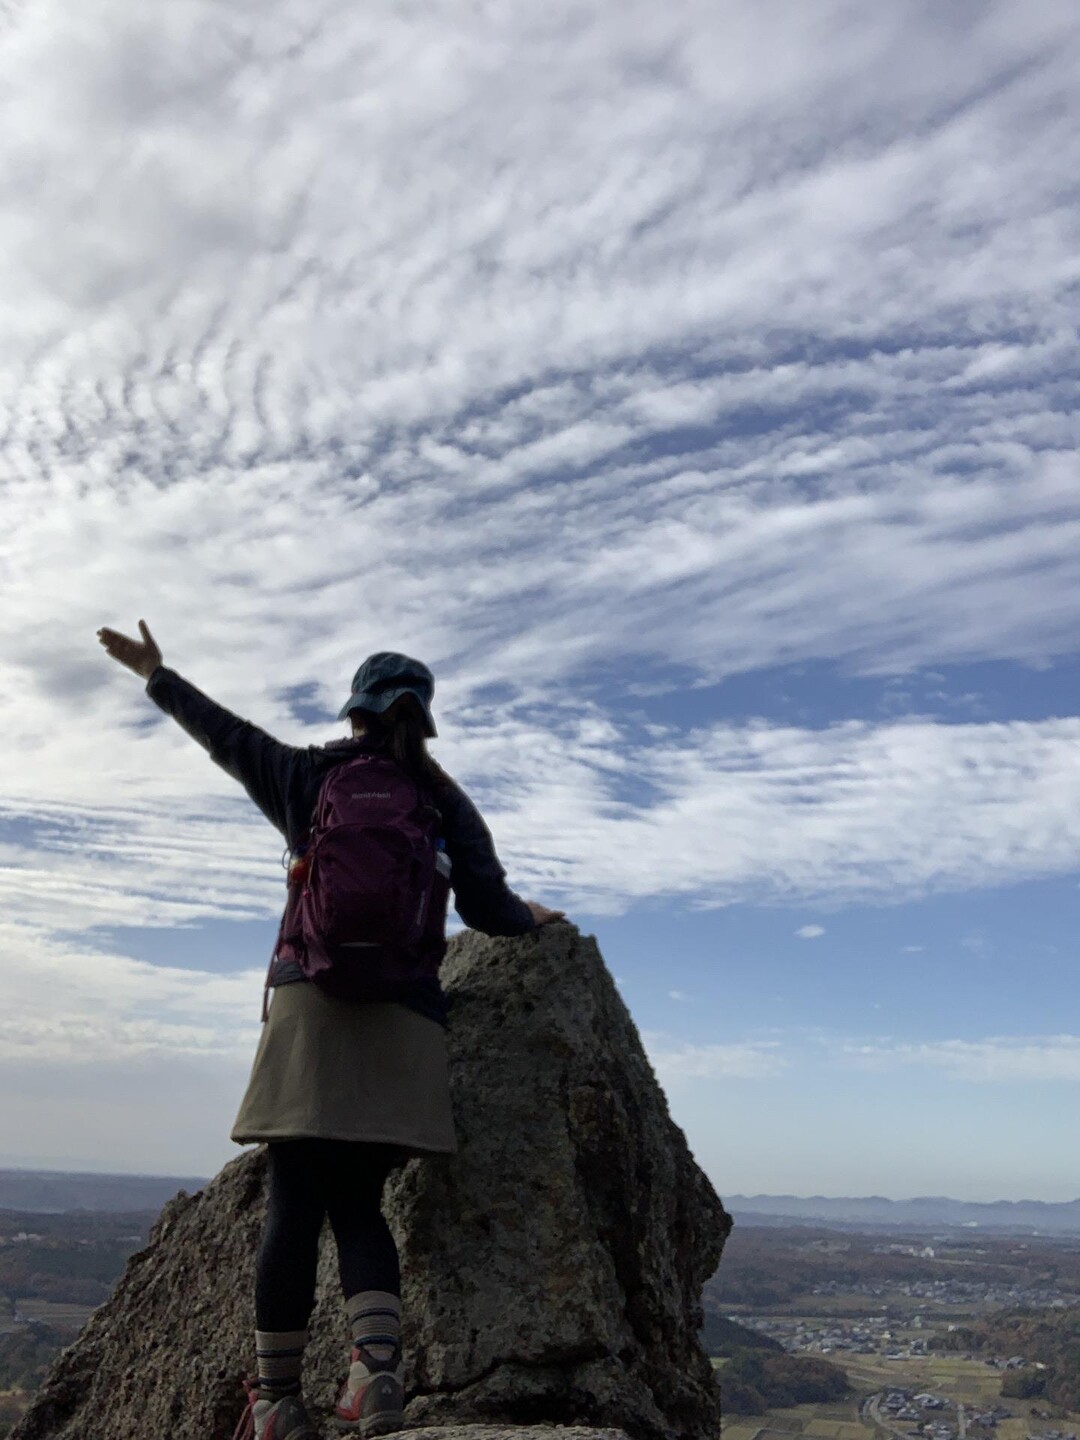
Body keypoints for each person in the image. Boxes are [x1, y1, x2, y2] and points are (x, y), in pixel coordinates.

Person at [96, 620, 564, 1440]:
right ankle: (375, 1382)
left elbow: (228, 738)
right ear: (421, 718)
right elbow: (488, 909)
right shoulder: (444, 803)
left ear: (356, 712)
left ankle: (277, 1403)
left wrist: (158, 677)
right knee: (359, 1204)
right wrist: (535, 921)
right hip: (406, 1021)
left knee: (292, 1204)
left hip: (311, 1007)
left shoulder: (311, 778)